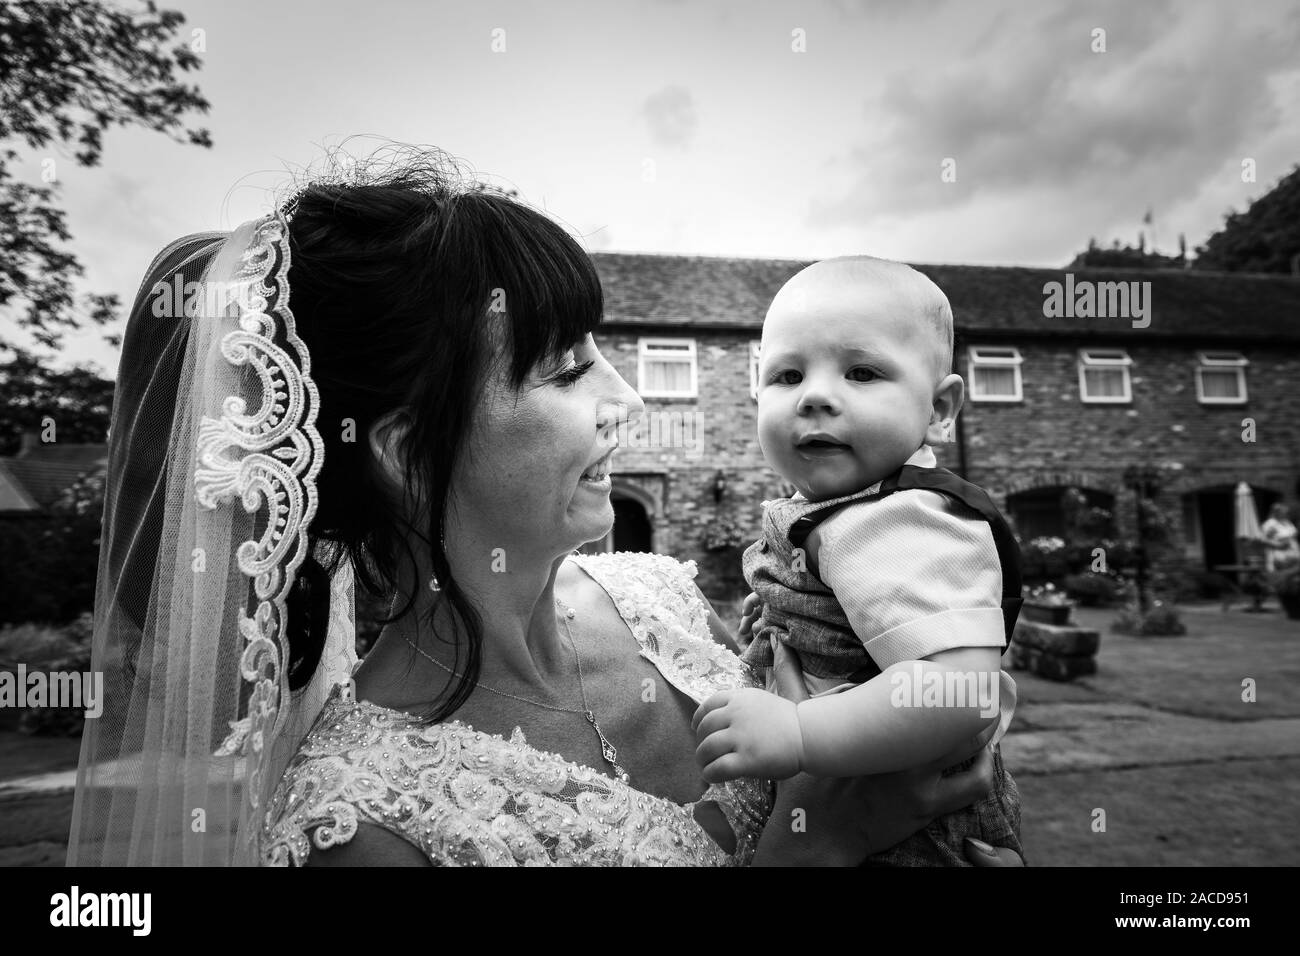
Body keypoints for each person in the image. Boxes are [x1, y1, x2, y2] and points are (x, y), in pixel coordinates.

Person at [68, 149, 1020, 867]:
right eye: (567, 369)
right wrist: (815, 849)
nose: (629, 400)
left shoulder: (660, 599)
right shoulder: (365, 828)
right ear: (405, 453)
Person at [693, 256, 1022, 866]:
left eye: (863, 372)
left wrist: (799, 734)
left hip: (909, 838)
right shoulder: (842, 512)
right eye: (787, 375)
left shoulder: (905, 518)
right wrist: (780, 614)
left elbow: (963, 689)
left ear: (939, 409)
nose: (816, 395)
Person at [1262, 503, 1300, 573]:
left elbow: (1293, 534)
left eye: (1286, 512)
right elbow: (1264, 540)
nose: (1286, 514)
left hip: (1292, 553)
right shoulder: (1271, 523)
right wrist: (1279, 545)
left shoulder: (1287, 522)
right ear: (1277, 512)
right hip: (1278, 554)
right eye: (1283, 512)